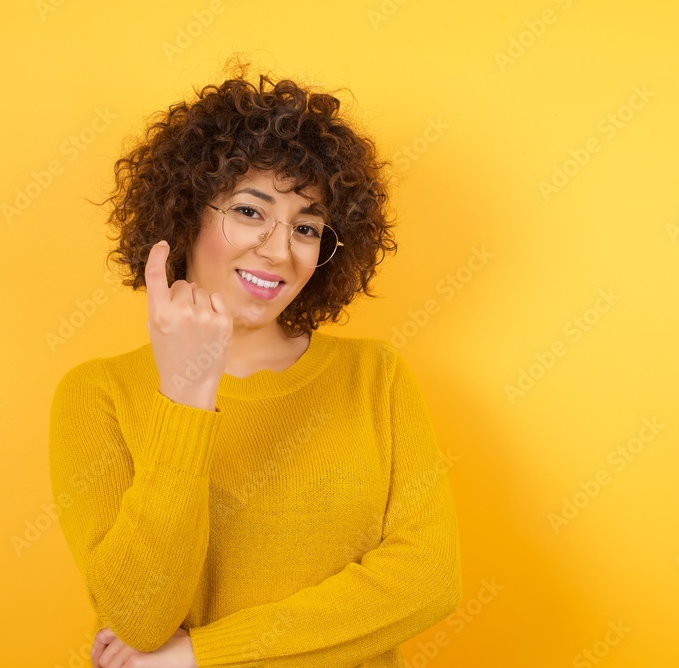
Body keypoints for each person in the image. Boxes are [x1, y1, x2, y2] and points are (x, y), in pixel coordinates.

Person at [49, 61, 463, 668]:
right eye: (249, 211)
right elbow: (140, 615)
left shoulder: (374, 377)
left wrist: (202, 655)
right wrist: (186, 393)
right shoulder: (98, 393)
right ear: (186, 214)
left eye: (306, 226)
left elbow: (428, 579)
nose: (277, 249)